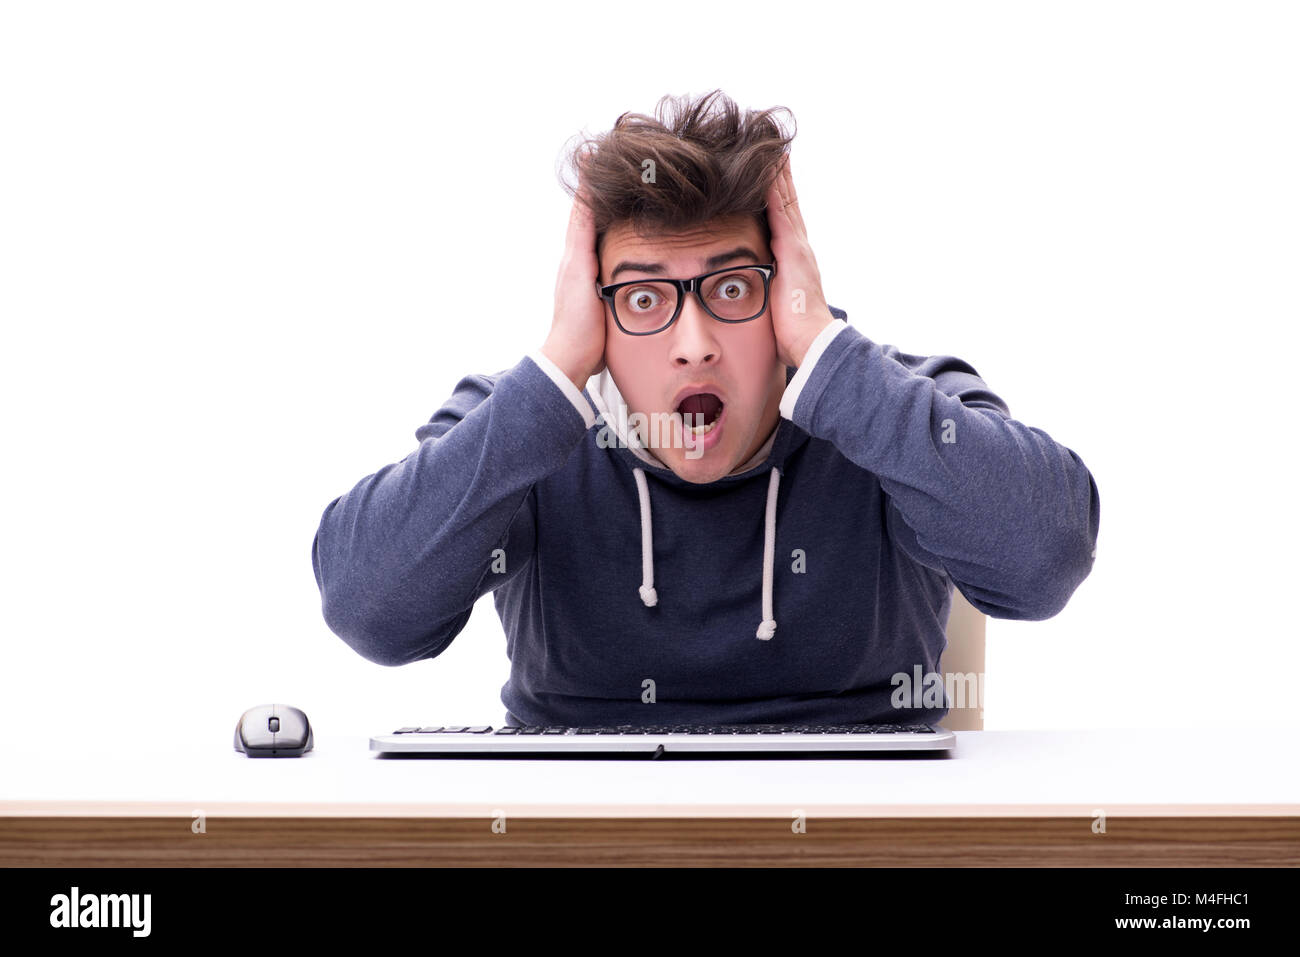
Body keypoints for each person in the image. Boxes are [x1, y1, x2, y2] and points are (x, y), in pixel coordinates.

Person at [311, 90, 1100, 729]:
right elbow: (365, 609)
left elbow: (1046, 562)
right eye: (644, 296)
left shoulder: (888, 405)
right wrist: (554, 376)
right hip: (582, 843)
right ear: (594, 311)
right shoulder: (529, 422)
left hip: (855, 838)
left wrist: (829, 356)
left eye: (731, 289)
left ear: (786, 290)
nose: (693, 345)